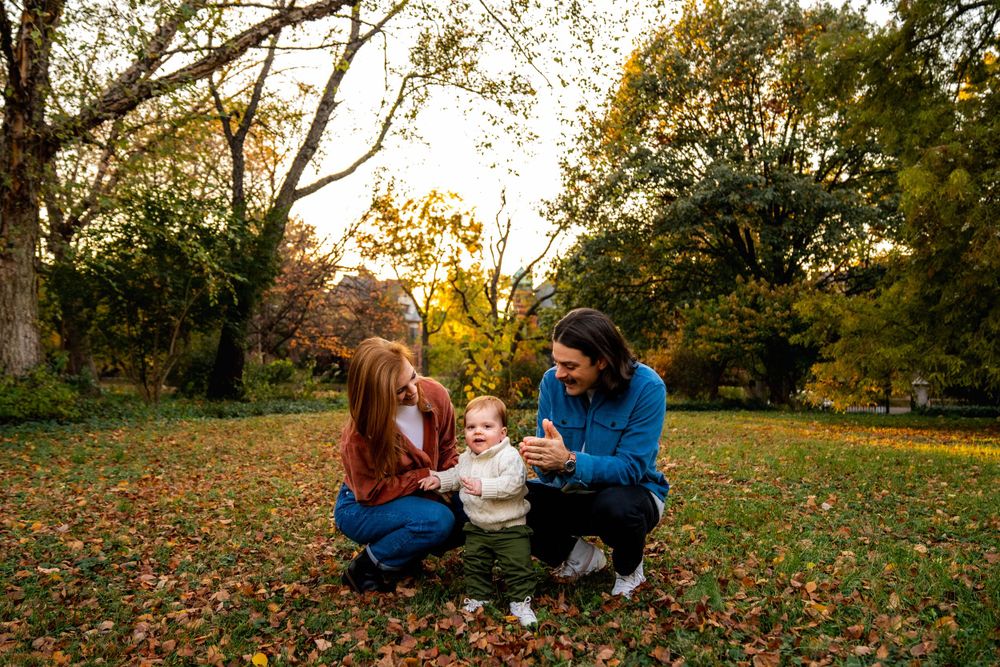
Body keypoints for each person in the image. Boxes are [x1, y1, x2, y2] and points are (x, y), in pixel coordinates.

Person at [519, 308, 668, 598]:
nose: (560, 373)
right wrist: (543, 459)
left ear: (601, 360)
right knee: (510, 498)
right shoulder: (552, 382)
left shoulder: (647, 387)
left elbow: (630, 469)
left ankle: (628, 570)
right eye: (556, 363)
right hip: (571, 494)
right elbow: (546, 471)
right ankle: (580, 557)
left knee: (616, 506)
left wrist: (568, 461)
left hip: (631, 495)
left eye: (570, 366)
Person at [333, 337, 464, 593]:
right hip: (362, 506)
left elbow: (448, 447)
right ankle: (366, 567)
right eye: (399, 391)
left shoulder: (435, 394)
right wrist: (425, 477)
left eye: (412, 377)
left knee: (471, 508)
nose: (413, 392)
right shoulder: (360, 435)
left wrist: (451, 480)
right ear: (377, 394)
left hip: (424, 491)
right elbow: (369, 492)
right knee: (437, 520)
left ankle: (406, 558)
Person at [420, 395, 536, 626]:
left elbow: (514, 484)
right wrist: (439, 480)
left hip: (509, 527)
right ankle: (480, 596)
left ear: (502, 433)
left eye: (486, 426)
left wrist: (484, 487)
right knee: (475, 563)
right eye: (471, 427)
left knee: (517, 566)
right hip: (478, 526)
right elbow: (456, 476)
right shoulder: (466, 459)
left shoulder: (508, 457)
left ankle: (521, 602)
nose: (477, 432)